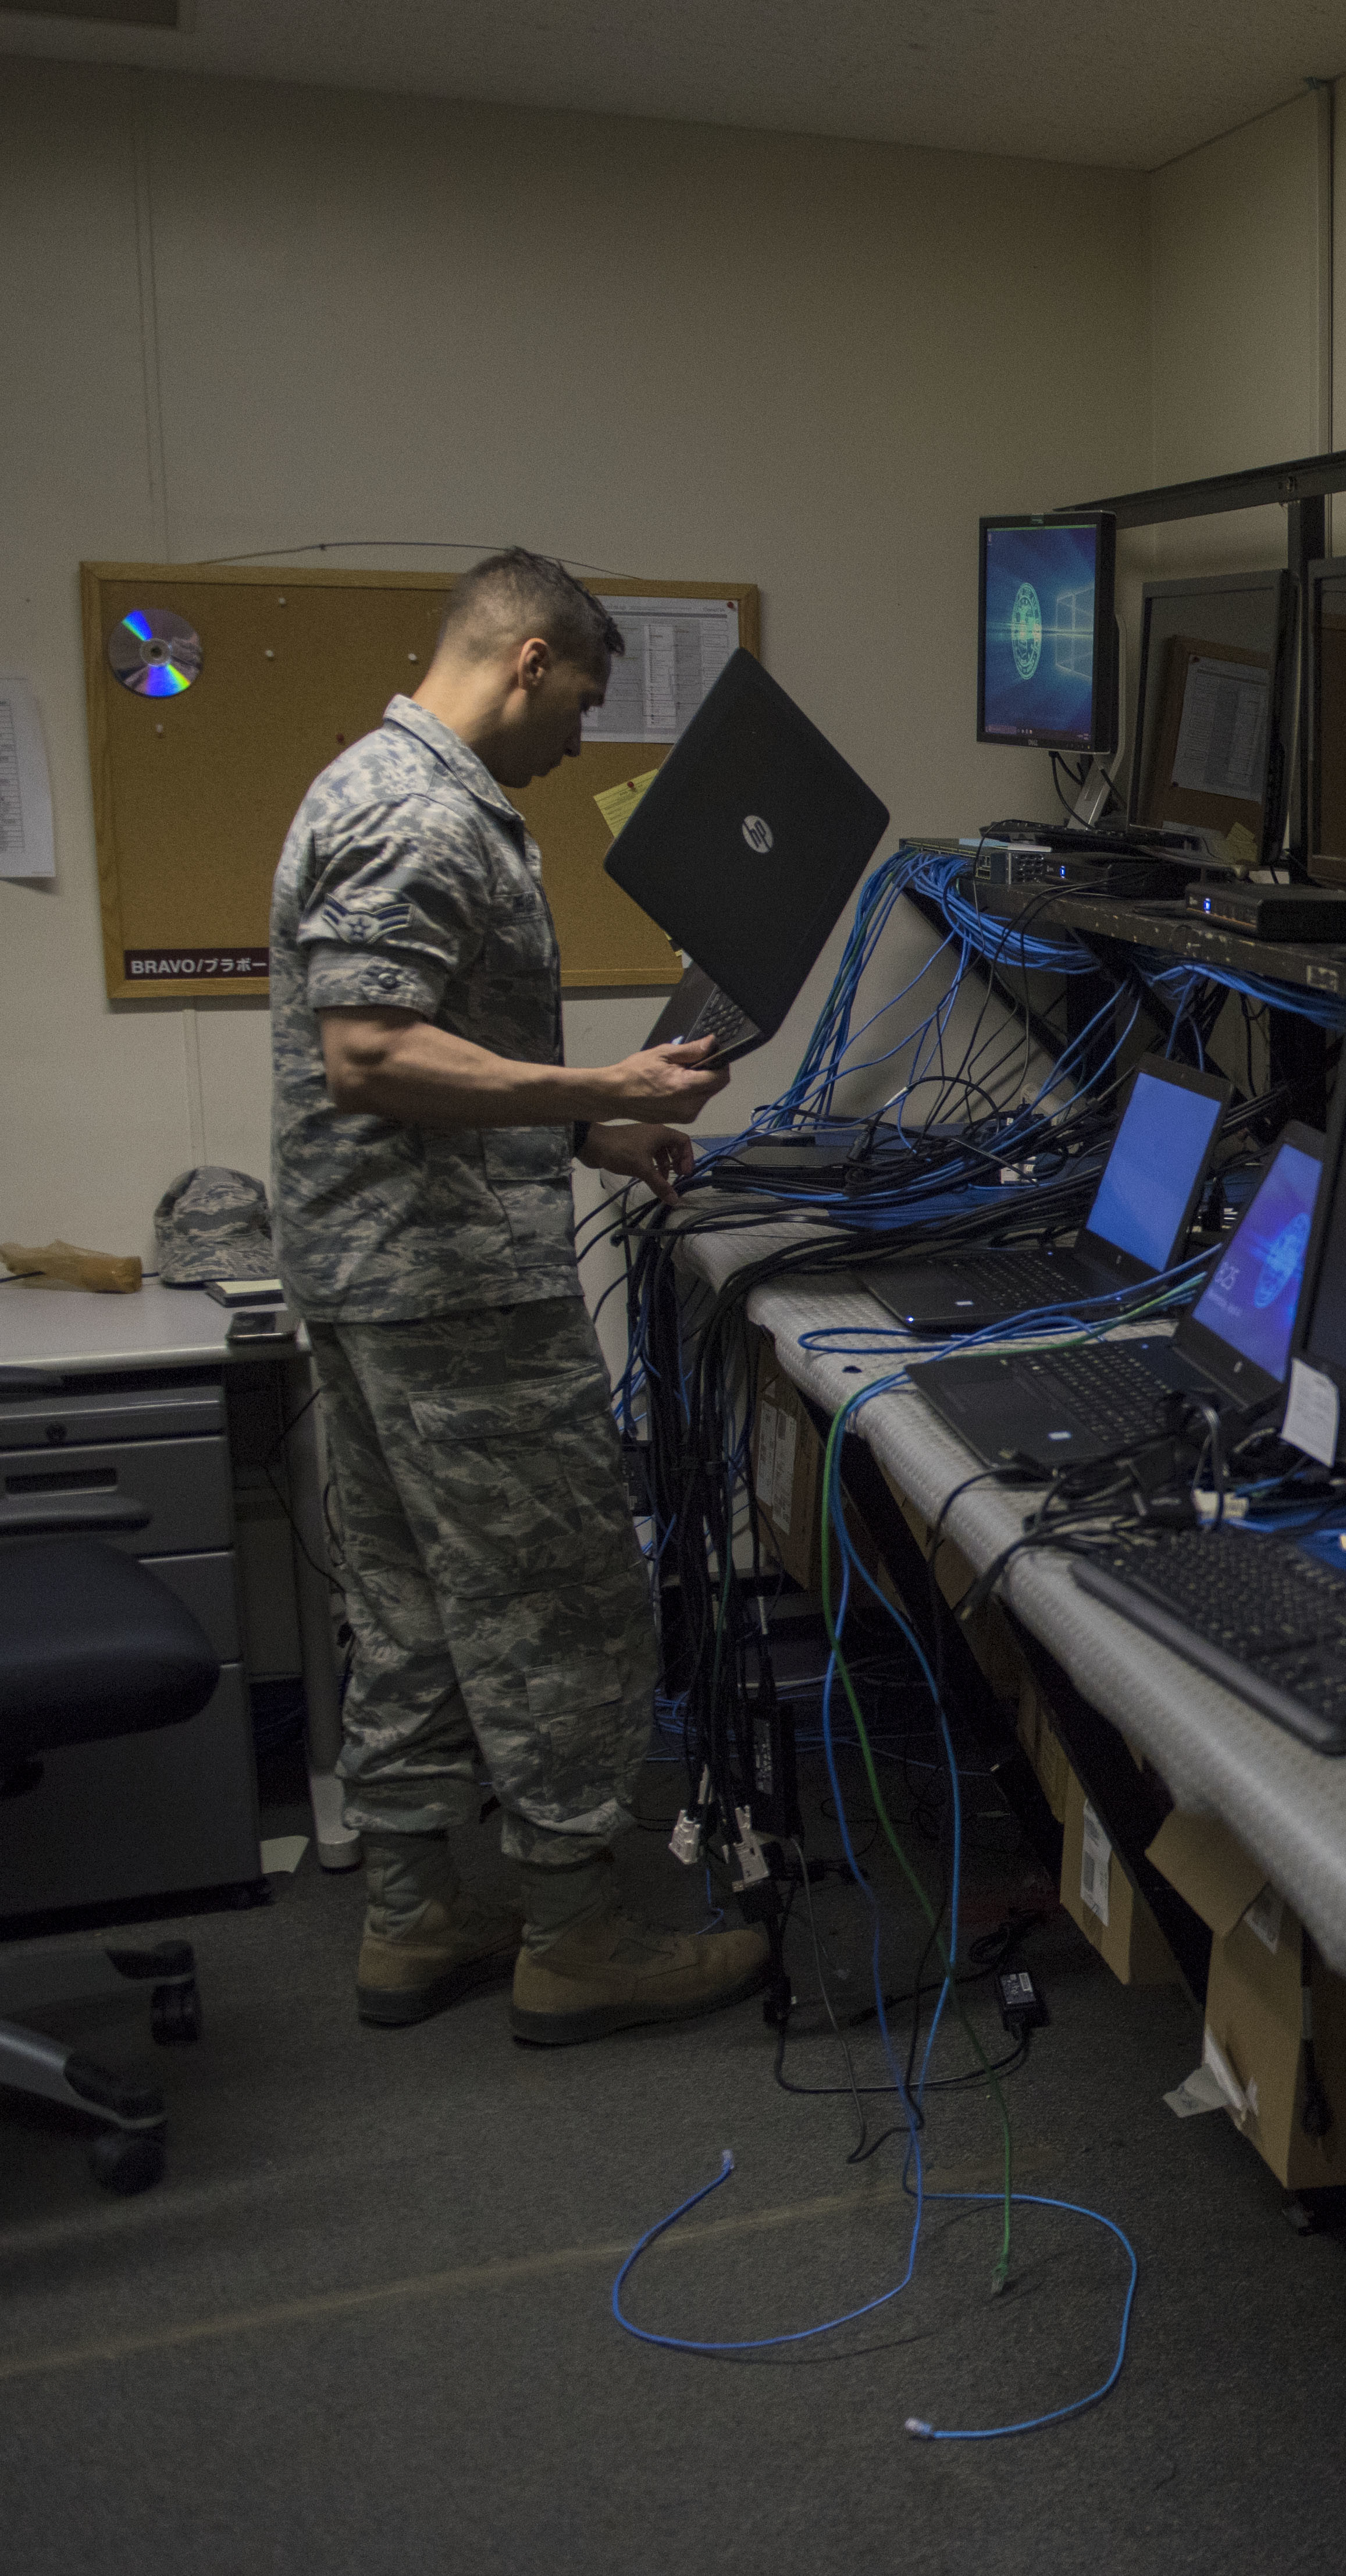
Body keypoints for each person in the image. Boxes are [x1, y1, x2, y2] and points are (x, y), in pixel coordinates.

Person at [269, 548, 768, 2044]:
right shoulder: (420, 812)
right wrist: (602, 1082)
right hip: (453, 1292)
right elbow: (370, 1053)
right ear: (529, 661)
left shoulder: (382, 787)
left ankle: (413, 1916)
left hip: (382, 1280)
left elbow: (426, 1060)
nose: (579, 740)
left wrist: (588, 1133)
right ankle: (577, 1938)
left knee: (412, 1608)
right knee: (564, 1605)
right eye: (584, 705)